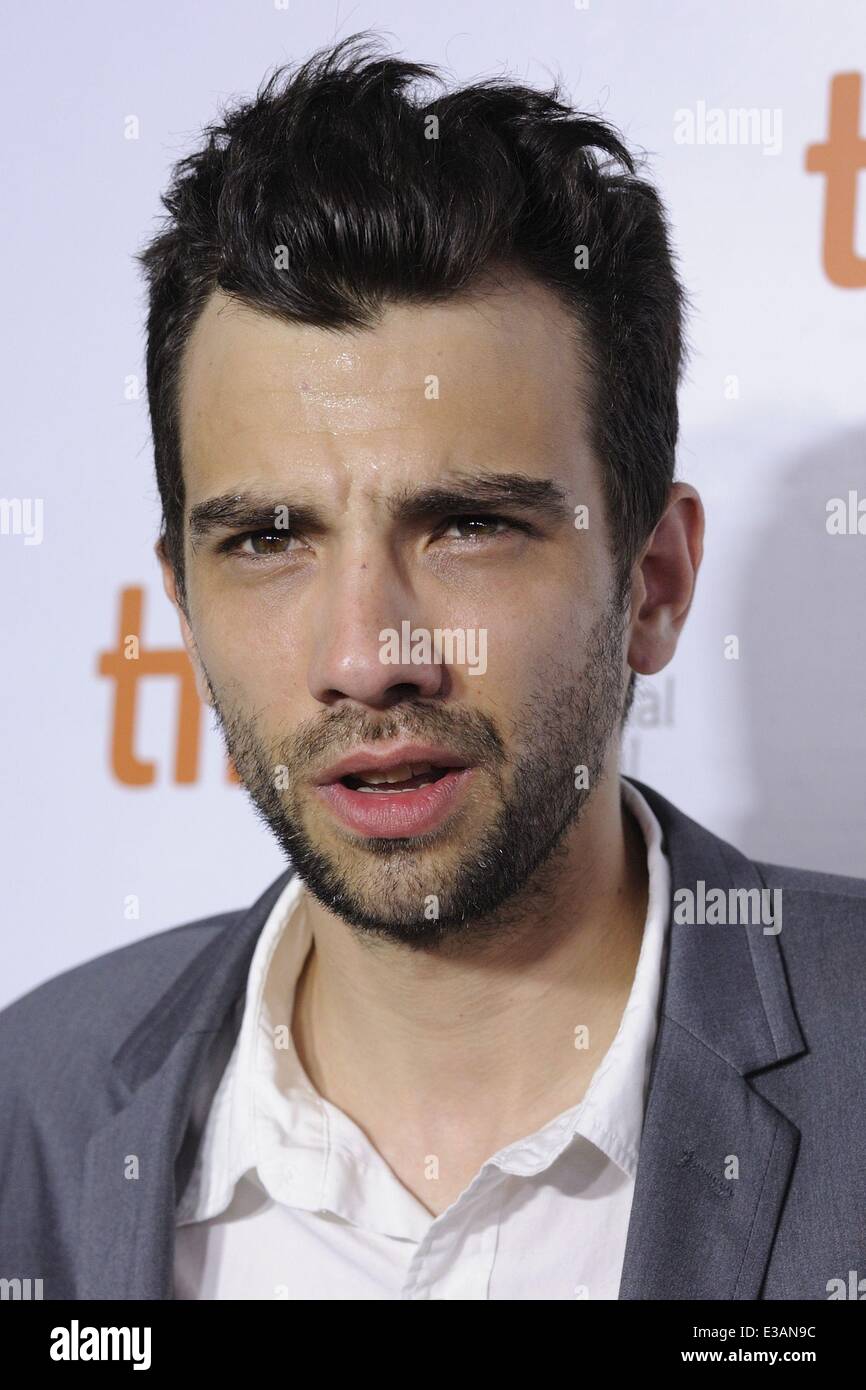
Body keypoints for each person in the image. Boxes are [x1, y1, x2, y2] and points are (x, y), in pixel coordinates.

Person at [1, 34, 864, 1302]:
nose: (365, 657)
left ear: (655, 584)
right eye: (268, 540)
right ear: (180, 599)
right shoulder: (33, 1100)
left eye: (467, 526)